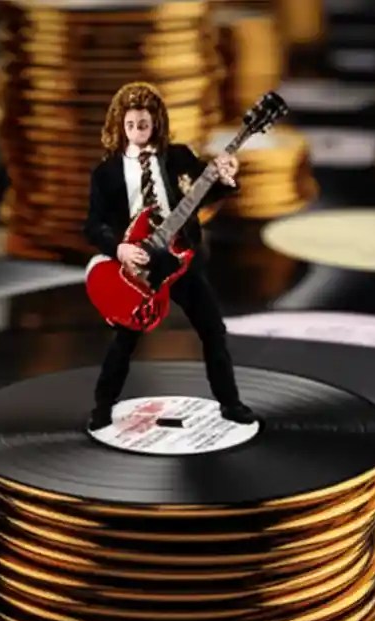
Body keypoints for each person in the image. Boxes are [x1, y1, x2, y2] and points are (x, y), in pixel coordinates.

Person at [83, 81, 258, 431]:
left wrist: (225, 179)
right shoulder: (106, 173)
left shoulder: (178, 157)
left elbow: (201, 197)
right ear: (119, 125)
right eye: (130, 125)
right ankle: (102, 407)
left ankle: (230, 403)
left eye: (143, 125)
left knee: (213, 330)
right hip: (138, 268)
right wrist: (119, 248)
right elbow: (93, 224)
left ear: (156, 123)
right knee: (124, 342)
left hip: (183, 261)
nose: (136, 132)